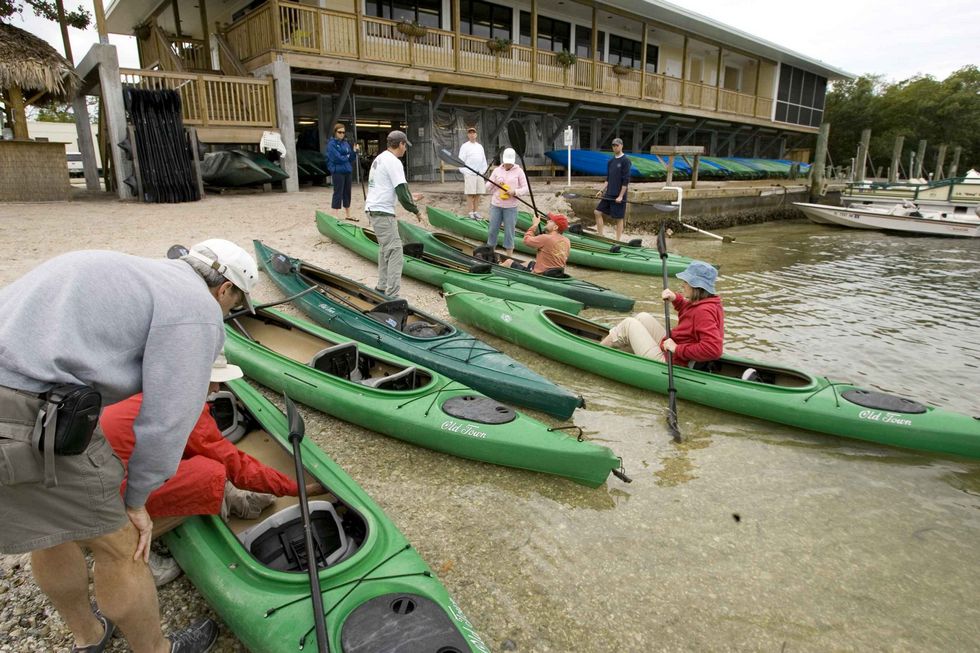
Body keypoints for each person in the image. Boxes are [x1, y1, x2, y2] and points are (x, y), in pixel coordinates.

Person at [0, 238, 259, 653]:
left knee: (50, 531)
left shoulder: (133, 273)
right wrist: (136, 501)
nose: (226, 315)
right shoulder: (197, 307)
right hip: (26, 408)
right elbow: (165, 422)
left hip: (16, 390)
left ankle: (89, 636)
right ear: (224, 289)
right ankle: (157, 649)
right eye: (234, 306)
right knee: (121, 544)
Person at [100, 352, 323, 587]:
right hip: (110, 497)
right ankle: (130, 552)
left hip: (110, 476)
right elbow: (232, 462)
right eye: (213, 380)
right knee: (210, 473)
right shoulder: (183, 404)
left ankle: (226, 496)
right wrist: (295, 488)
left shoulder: (159, 382)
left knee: (203, 462)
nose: (217, 389)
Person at [601, 261, 724, 367]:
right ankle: (619, 345)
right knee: (643, 317)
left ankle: (598, 350)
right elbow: (691, 314)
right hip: (672, 351)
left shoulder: (703, 311)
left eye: (686, 281)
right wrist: (676, 299)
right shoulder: (707, 303)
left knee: (628, 324)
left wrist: (677, 349)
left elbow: (713, 349)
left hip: (670, 362)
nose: (683, 284)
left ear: (696, 286)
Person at [364, 130, 424, 298]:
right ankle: (392, 295)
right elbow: (401, 191)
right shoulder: (394, 162)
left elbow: (394, 188)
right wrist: (415, 209)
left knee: (385, 250)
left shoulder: (381, 158)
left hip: (373, 209)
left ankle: (381, 287)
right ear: (401, 144)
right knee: (396, 251)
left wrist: (411, 197)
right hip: (382, 212)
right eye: (405, 146)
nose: (406, 149)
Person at [485, 147, 528, 257]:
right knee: (492, 230)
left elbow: (525, 188)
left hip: (511, 207)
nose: (508, 165)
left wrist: (515, 192)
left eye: (510, 163)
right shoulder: (497, 170)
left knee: (509, 232)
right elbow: (487, 187)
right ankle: (490, 253)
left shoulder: (519, 171)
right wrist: (495, 182)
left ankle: (509, 257)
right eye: (506, 162)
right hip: (496, 205)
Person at [499, 212, 571, 276]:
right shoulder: (567, 240)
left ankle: (496, 269)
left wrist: (535, 225)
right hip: (556, 273)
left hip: (542, 275)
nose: (548, 221)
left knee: (508, 262)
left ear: (555, 227)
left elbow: (526, 240)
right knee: (530, 263)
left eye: (551, 221)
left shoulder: (546, 238)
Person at [594, 137, 632, 241]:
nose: (615, 147)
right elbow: (608, 179)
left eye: (617, 145)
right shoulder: (611, 161)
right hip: (609, 193)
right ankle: (600, 235)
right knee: (597, 212)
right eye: (613, 145)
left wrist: (620, 196)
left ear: (621, 146)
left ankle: (618, 240)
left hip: (619, 195)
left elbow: (626, 180)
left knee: (619, 218)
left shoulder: (626, 161)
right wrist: (601, 190)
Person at [325, 122, 360, 222]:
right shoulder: (331, 144)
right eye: (339, 132)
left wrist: (354, 151)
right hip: (337, 171)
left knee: (347, 192)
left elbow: (350, 159)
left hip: (347, 170)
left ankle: (348, 214)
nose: (341, 134)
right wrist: (347, 156)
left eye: (343, 132)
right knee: (338, 192)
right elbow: (336, 158)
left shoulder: (345, 143)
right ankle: (334, 214)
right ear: (335, 132)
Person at [458, 126, 487, 219]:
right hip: (469, 174)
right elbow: (460, 162)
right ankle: (470, 212)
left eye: (473, 132)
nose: (472, 134)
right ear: (468, 135)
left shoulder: (480, 147)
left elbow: (483, 160)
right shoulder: (464, 146)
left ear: (476, 134)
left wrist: (483, 171)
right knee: (470, 194)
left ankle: (476, 211)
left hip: (479, 173)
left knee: (478, 193)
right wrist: (466, 172)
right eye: (470, 133)